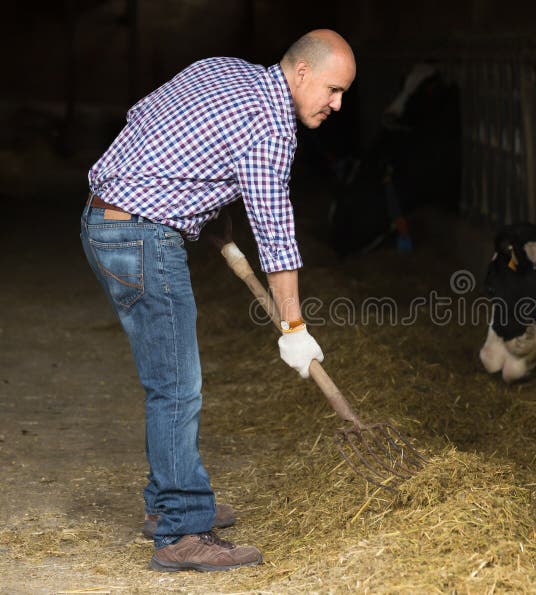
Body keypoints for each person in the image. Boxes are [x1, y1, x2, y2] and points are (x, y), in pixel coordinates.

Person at [79, 30, 356, 572]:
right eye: (333, 89)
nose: (337, 104)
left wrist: (199, 199)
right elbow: (276, 235)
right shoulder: (273, 125)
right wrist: (294, 327)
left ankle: (167, 506)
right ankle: (182, 530)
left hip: (104, 220)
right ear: (302, 73)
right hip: (141, 235)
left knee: (168, 380)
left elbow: (145, 115)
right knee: (177, 386)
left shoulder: (224, 69)